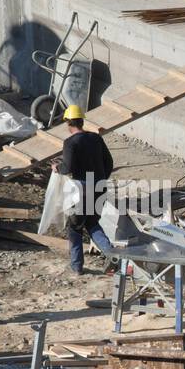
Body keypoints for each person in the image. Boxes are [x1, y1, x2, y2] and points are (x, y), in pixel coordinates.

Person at [55, 104, 115, 276]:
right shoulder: (96, 138)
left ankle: (77, 266)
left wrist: (57, 168)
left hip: (81, 189)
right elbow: (109, 162)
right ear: (82, 121)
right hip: (99, 186)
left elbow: (68, 167)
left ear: (68, 123)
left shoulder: (70, 142)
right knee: (91, 222)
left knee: (74, 226)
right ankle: (112, 254)